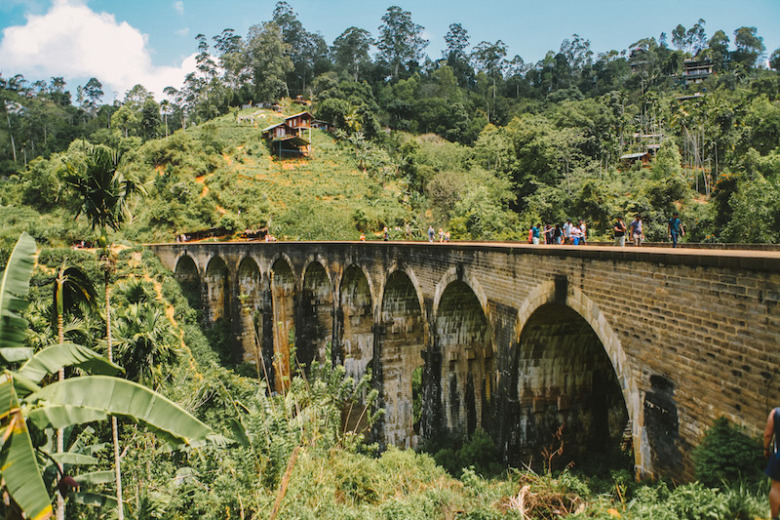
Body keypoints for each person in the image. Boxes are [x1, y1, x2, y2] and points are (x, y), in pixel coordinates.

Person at [764, 408, 780, 520]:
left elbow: (768, 435)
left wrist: (766, 448)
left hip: (779, 455)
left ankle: (774, 517)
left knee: (776, 488)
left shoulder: (776, 413)